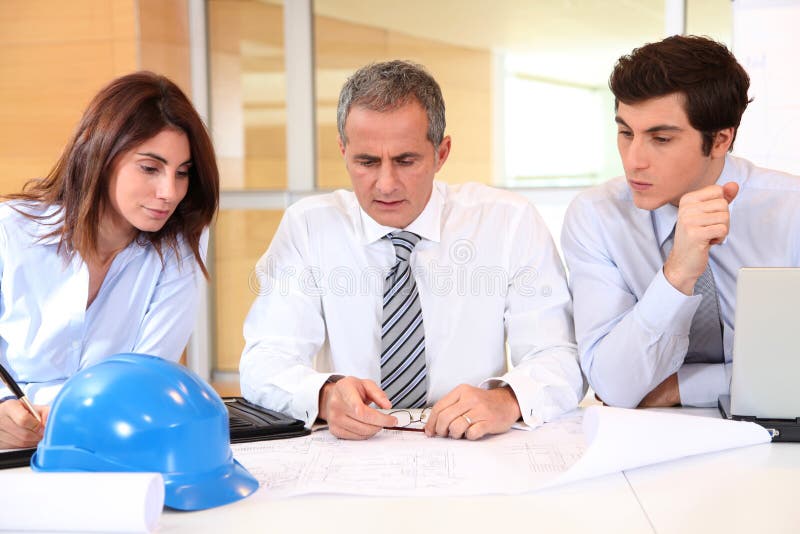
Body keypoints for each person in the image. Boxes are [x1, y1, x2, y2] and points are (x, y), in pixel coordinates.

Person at [240, 60, 584, 441]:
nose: (386, 184)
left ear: (441, 153)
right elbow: (263, 361)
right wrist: (323, 396)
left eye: (406, 161)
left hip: (472, 448)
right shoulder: (307, 227)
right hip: (352, 451)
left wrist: (507, 400)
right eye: (366, 162)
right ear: (343, 151)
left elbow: (560, 356)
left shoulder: (510, 222)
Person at [561, 35, 800, 409]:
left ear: (720, 140)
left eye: (660, 138)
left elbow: (792, 374)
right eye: (626, 133)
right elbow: (613, 386)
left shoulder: (790, 211)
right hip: (641, 445)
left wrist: (679, 388)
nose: (633, 160)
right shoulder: (596, 216)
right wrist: (677, 274)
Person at [0, 71, 219, 448]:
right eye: (150, 168)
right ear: (99, 153)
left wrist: (76, 412)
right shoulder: (11, 232)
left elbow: (148, 379)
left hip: (114, 445)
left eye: (182, 173)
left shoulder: (181, 247)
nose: (169, 192)